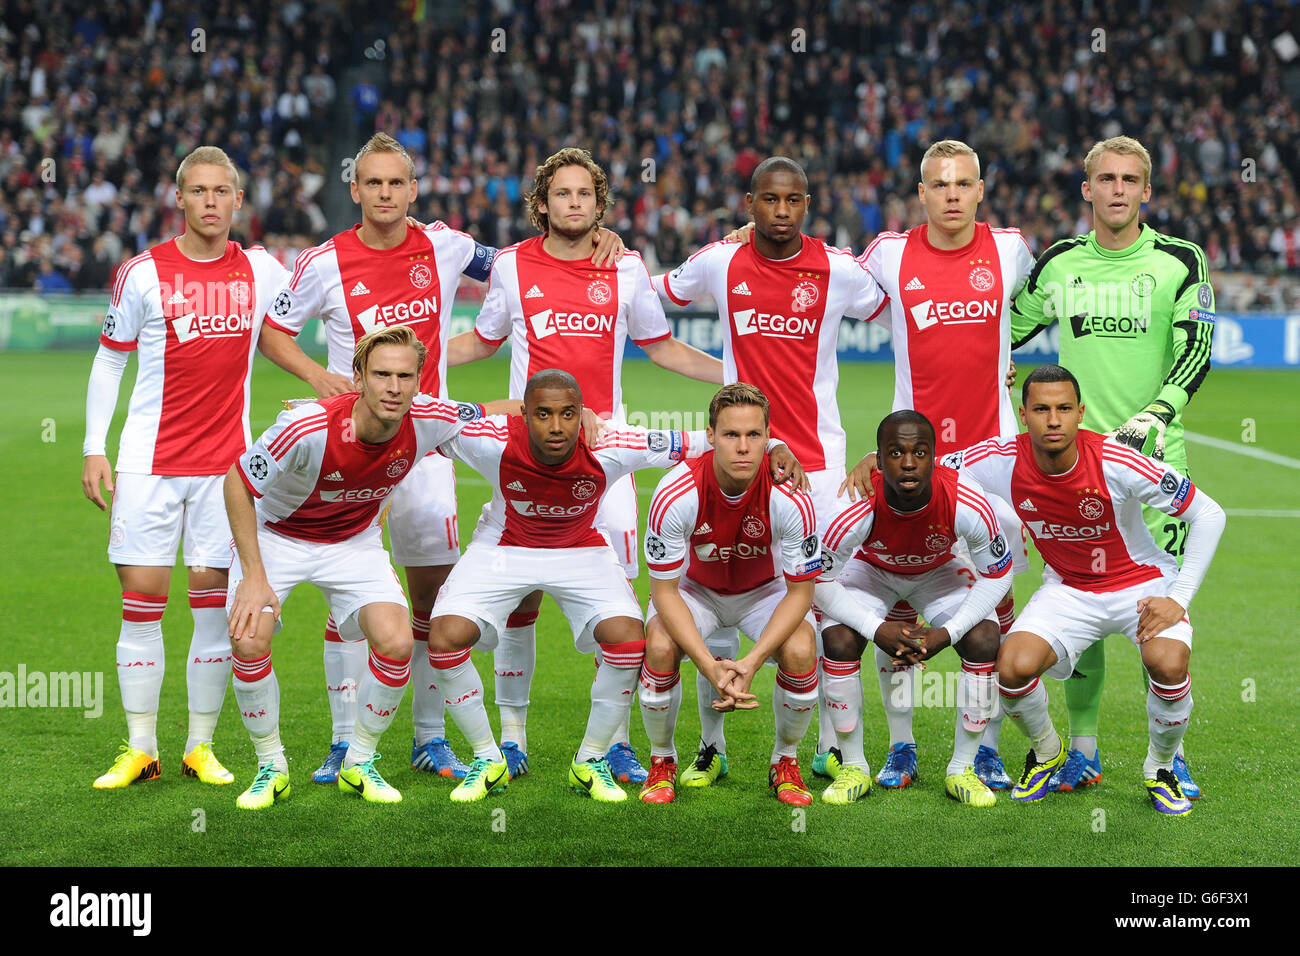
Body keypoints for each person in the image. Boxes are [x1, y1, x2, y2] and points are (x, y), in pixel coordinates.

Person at [255, 133, 623, 784]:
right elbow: (275, 333)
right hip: (348, 445)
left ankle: (428, 739)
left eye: (397, 183)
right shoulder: (324, 261)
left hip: (424, 444)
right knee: (346, 602)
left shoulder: (448, 247)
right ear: (356, 189)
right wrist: (319, 377)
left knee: (428, 597)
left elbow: (525, 258)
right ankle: (344, 743)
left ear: (413, 189)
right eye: (374, 183)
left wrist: (600, 241)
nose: (386, 194)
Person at [447, 146, 723, 784]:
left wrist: (742, 373)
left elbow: (662, 348)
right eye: (561, 194)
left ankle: (615, 739)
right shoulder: (513, 266)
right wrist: (413, 361)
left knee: (619, 602)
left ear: (600, 206)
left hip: (608, 453)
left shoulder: (624, 268)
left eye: (585, 195)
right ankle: (511, 736)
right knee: (518, 600)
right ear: (542, 203)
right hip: (527, 448)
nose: (573, 203)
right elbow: (482, 341)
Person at [424, 370, 802, 804]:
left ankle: (590, 760)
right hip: (504, 545)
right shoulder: (489, 438)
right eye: (542, 414)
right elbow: (426, 422)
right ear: (523, 414)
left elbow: (705, 439)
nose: (556, 427)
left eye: (568, 414)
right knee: (445, 636)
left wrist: (775, 446)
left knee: (628, 638)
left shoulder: (611, 442)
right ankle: (487, 758)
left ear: (582, 414)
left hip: (581, 548)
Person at [654, 156, 887, 788]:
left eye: (794, 201)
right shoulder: (719, 262)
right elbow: (654, 295)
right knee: (720, 579)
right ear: (750, 203)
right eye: (770, 200)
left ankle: (832, 750)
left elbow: (894, 308)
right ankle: (709, 744)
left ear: (806, 204)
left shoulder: (837, 269)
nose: (781, 212)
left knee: (821, 616)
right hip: (742, 448)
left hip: (818, 463)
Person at [222, 325, 514, 809]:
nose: (393, 387)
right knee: (249, 638)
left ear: (421, 381)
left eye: (404, 376)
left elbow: (498, 412)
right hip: (279, 539)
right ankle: (271, 766)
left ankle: (358, 761)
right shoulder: (305, 428)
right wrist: (254, 576)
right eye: (381, 374)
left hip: (352, 544)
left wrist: (580, 413)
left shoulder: (430, 418)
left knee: (398, 642)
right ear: (358, 376)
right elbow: (238, 482)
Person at [1009, 135, 1216, 797]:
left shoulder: (1180, 261)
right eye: (1107, 178)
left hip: (1154, 472)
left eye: (1131, 179)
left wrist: (1158, 411)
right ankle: (1084, 749)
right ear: (1087, 189)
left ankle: (1167, 756)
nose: (1119, 189)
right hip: (1072, 471)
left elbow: (1198, 346)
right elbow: (1000, 330)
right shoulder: (1061, 263)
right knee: (1083, 605)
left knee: (1158, 624)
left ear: (1147, 191)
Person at [82, 146, 288, 790]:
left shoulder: (262, 271)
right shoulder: (142, 272)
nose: (209, 201)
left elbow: (330, 281)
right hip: (148, 466)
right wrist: (94, 445)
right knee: (142, 606)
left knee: (210, 614)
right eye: (197, 190)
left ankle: (201, 746)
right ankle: (141, 748)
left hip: (225, 476)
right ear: (180, 199)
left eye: (220, 191)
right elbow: (110, 359)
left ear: (236, 200)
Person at [844, 139, 1033, 791]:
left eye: (963, 184)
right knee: (896, 606)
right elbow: (822, 277)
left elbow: (1033, 309)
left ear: (981, 190)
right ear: (920, 195)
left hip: (994, 464)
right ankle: (901, 747)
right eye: (939, 185)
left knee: (992, 616)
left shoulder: (1011, 249)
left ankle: (986, 748)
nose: (952, 195)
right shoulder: (891, 254)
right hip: (910, 464)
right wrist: (744, 236)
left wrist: (1007, 357)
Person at [951, 365, 1224, 815]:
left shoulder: (1118, 461)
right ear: (1023, 415)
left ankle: (1161, 768)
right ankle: (1046, 752)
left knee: (1168, 663)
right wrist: (876, 463)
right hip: (1069, 589)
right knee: (1012, 668)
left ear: (1080, 412)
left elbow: (1208, 514)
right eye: (1041, 409)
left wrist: (1178, 599)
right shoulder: (999, 458)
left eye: (1063, 409)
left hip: (1140, 582)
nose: (1053, 420)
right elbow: (929, 467)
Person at [812, 411, 1011, 806]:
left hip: (938, 571)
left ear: (935, 457)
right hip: (873, 571)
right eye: (896, 453)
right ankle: (853, 766)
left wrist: (948, 633)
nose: (907, 463)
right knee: (837, 639)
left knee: (985, 638)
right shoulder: (851, 506)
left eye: (919, 452)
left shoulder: (966, 501)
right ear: (878, 459)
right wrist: (876, 628)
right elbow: (818, 582)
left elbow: (998, 576)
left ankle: (962, 770)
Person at [638, 384, 822, 807]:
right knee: (661, 645)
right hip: (694, 591)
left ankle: (785, 760)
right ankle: (662, 760)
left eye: (754, 435)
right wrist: (708, 665)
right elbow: (663, 591)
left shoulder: (791, 495)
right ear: (710, 435)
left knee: (800, 647)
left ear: (769, 436)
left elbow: (800, 592)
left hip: (765, 592)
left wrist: (752, 660)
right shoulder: (675, 492)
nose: (743, 447)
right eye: (731, 435)